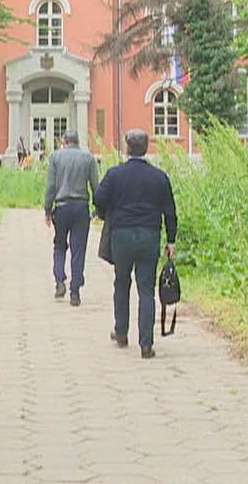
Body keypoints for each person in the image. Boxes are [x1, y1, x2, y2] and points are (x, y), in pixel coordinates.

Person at [92, 128, 177, 358]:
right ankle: (146, 344)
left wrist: (104, 211)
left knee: (121, 282)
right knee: (146, 289)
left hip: (121, 235)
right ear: (146, 148)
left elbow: (98, 198)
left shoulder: (115, 174)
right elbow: (170, 211)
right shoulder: (159, 177)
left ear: (127, 148)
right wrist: (171, 240)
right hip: (149, 236)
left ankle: (121, 332)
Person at [43, 132, 98, 307]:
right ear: (78, 141)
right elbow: (96, 186)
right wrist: (99, 209)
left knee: (59, 245)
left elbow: (51, 186)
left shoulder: (56, 157)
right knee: (78, 249)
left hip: (62, 207)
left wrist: (47, 209)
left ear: (64, 142)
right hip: (81, 208)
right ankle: (75, 291)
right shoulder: (88, 158)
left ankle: (60, 280)